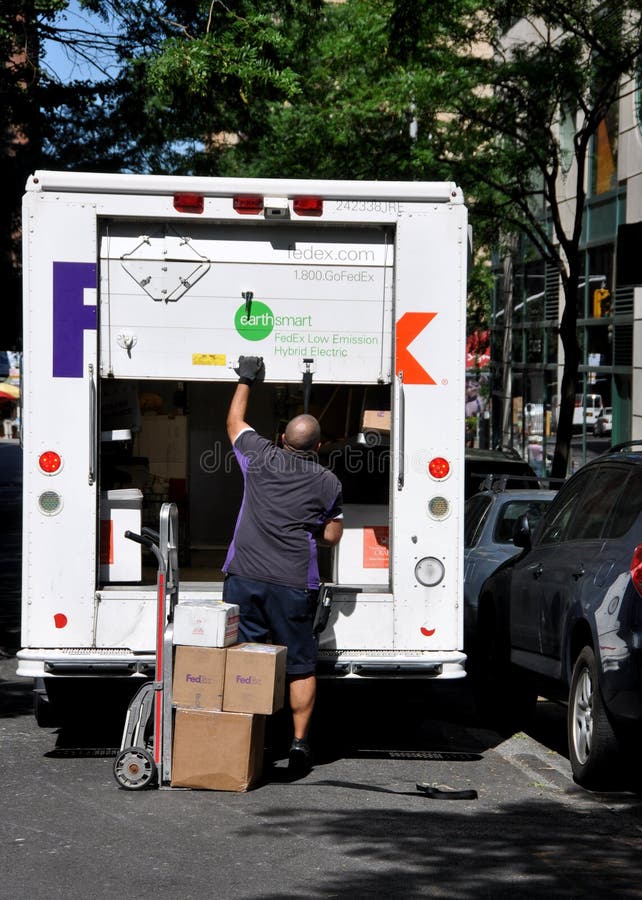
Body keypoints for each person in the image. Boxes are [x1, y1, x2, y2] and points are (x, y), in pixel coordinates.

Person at [222, 356, 343, 775]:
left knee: (246, 658)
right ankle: (298, 745)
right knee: (300, 664)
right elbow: (330, 535)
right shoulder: (328, 482)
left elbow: (235, 421)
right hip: (293, 582)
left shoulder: (259, 457)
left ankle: (249, 740)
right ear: (319, 447)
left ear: (281, 438)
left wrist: (246, 378)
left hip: (244, 577)